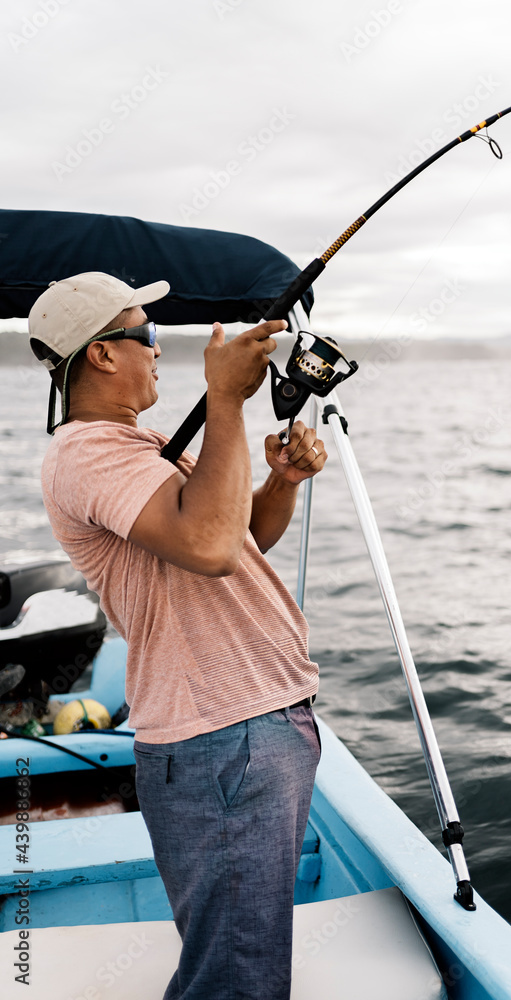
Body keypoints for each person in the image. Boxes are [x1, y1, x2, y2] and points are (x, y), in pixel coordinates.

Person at [28, 271, 327, 1000]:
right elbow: (210, 547)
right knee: (235, 977)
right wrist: (224, 398)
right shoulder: (89, 452)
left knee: (237, 955)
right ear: (102, 355)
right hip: (224, 739)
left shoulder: (138, 443)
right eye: (147, 335)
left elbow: (240, 538)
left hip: (250, 730)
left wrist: (279, 480)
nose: (159, 350)